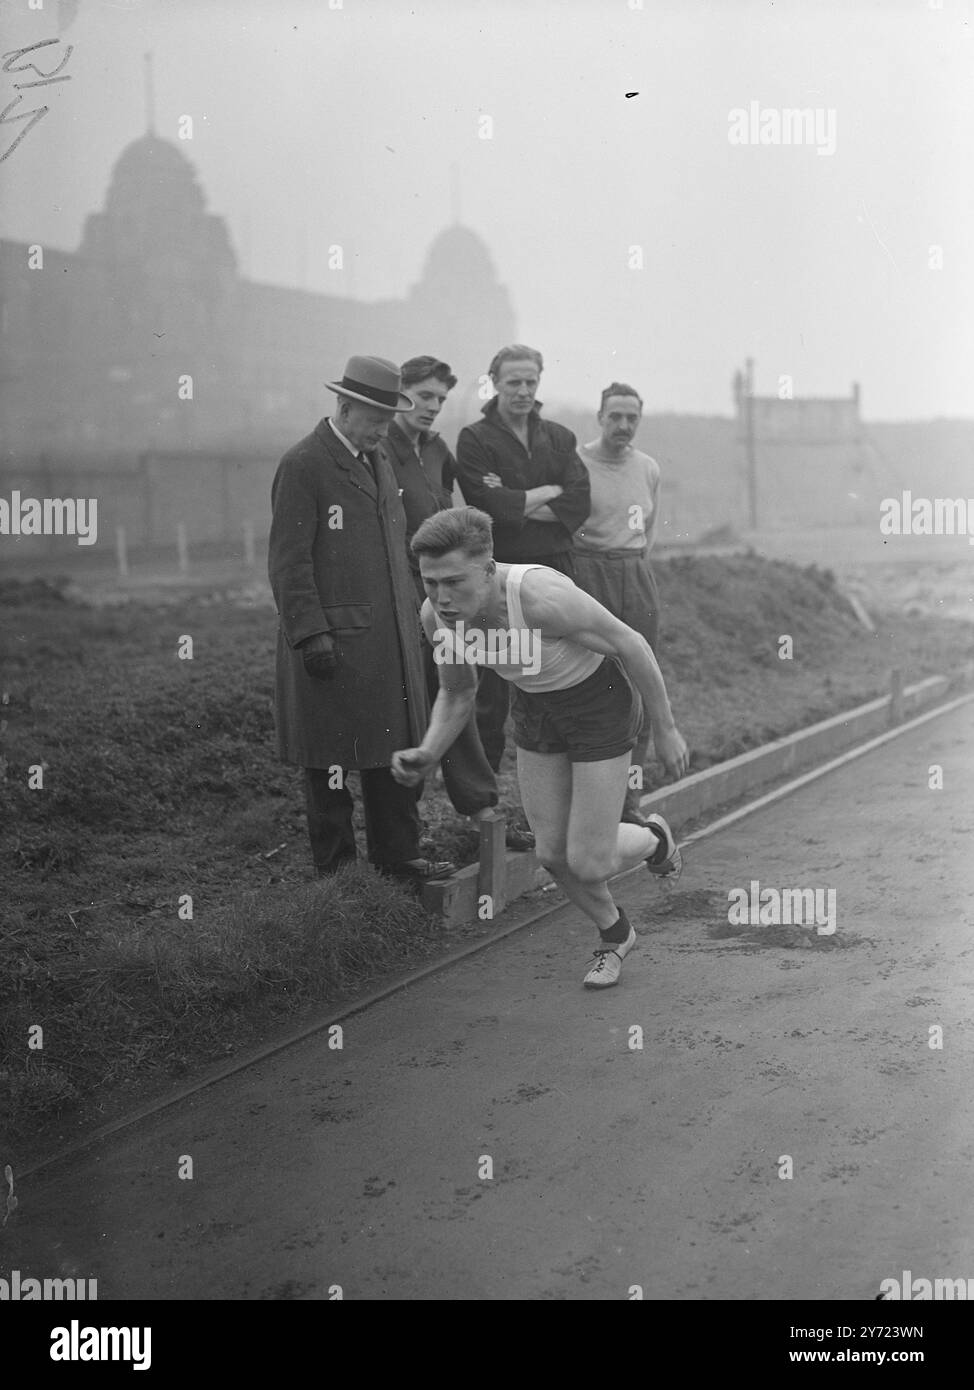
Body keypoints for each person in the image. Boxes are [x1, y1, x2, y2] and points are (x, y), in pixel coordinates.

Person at [391, 507, 690, 989]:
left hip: (599, 705)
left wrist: (666, 728)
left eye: (454, 582)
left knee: (588, 859)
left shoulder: (540, 597)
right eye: (430, 582)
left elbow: (631, 644)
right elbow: (458, 691)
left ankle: (654, 837)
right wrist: (428, 751)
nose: (442, 598)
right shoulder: (437, 618)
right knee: (552, 854)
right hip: (535, 708)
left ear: (488, 570)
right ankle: (616, 934)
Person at [267, 354, 454, 886]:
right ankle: (338, 875)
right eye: (374, 418)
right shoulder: (304, 464)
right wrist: (310, 633)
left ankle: (398, 858)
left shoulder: (378, 460)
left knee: (390, 750)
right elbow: (288, 559)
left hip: (387, 640)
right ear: (345, 408)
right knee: (328, 760)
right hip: (332, 644)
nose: (381, 429)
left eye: (387, 418)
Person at [380, 356, 533, 850]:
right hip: (398, 601)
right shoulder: (380, 450)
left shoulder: (438, 451)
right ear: (400, 394)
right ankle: (407, 829)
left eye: (440, 400)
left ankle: (481, 810)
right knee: (409, 708)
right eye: (424, 396)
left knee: (456, 695)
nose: (432, 407)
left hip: (439, 602)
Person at [454, 344, 590, 773]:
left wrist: (517, 500)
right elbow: (486, 505)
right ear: (494, 383)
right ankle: (489, 804)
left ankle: (562, 781)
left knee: (561, 677)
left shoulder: (560, 437)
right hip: (501, 576)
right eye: (514, 382)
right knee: (494, 691)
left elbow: (579, 504)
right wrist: (549, 492)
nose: (523, 391)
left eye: (531, 381)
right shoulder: (475, 439)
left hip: (557, 570)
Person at [574, 382, 663, 825]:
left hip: (635, 575)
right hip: (589, 573)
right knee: (591, 684)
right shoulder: (578, 464)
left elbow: (650, 529)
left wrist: (637, 573)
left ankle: (629, 804)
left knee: (640, 683)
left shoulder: (648, 468)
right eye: (615, 417)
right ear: (600, 417)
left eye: (632, 418)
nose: (623, 425)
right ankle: (586, 800)